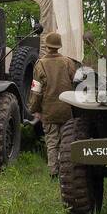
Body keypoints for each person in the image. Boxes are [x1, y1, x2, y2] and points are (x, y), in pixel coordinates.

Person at [27, 32, 79, 177]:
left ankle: (53, 173)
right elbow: (76, 84)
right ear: (59, 46)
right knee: (66, 142)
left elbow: (36, 91)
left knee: (51, 142)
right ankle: (67, 171)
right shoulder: (68, 62)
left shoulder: (40, 64)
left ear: (47, 46)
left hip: (48, 111)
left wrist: (34, 109)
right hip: (67, 109)